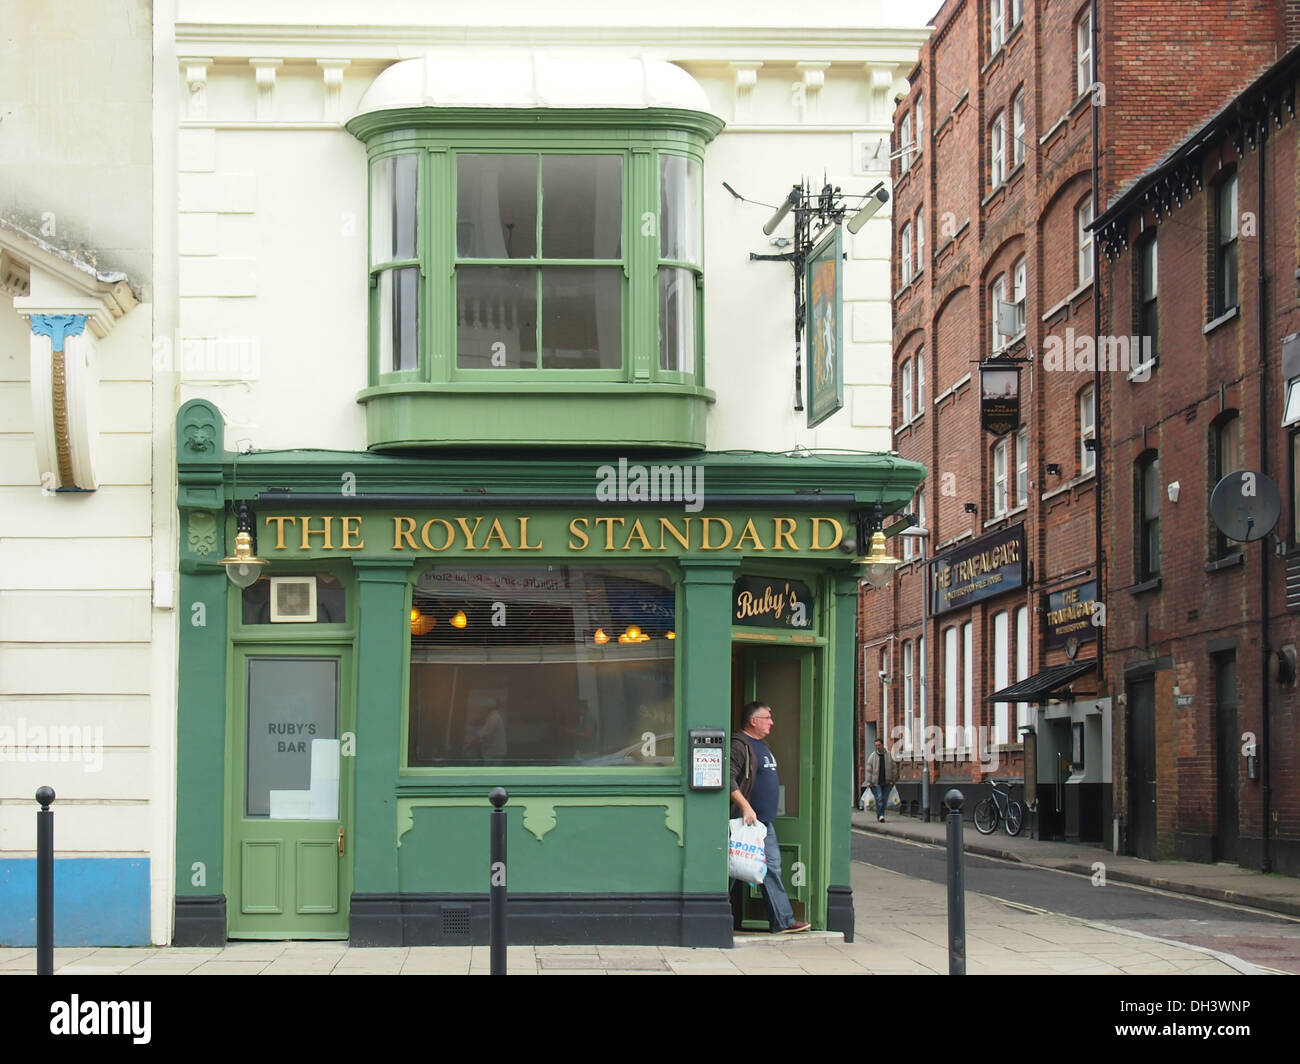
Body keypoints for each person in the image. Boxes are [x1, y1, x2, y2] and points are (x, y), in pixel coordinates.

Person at [729, 701, 811, 934]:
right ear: (753, 721)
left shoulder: (761, 745)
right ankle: (714, 917)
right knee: (733, 869)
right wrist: (746, 807)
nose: (772, 722)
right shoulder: (740, 745)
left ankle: (782, 921)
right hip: (744, 823)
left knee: (771, 869)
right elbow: (729, 779)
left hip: (763, 823)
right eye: (767, 718)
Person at [865, 736, 893, 822]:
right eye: (876, 745)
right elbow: (869, 769)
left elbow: (893, 767)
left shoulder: (888, 755)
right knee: (879, 798)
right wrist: (869, 781)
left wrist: (893, 779)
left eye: (879, 745)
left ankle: (880, 814)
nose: (877, 747)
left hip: (887, 781)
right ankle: (881, 815)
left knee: (884, 799)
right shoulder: (872, 756)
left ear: (882, 745)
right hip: (876, 782)